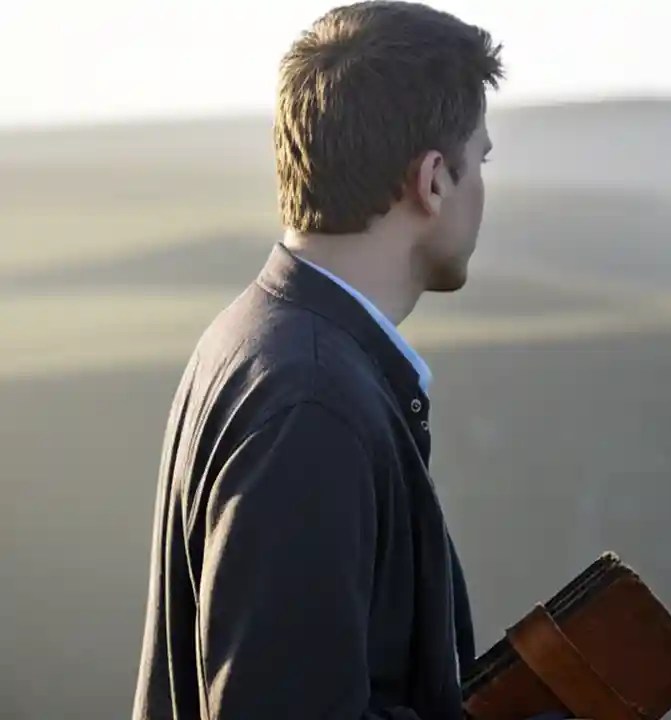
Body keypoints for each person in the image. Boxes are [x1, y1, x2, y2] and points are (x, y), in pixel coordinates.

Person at [131, 3, 529, 718]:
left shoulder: (262, 339)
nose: (483, 189)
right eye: (483, 160)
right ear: (433, 180)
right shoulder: (312, 400)